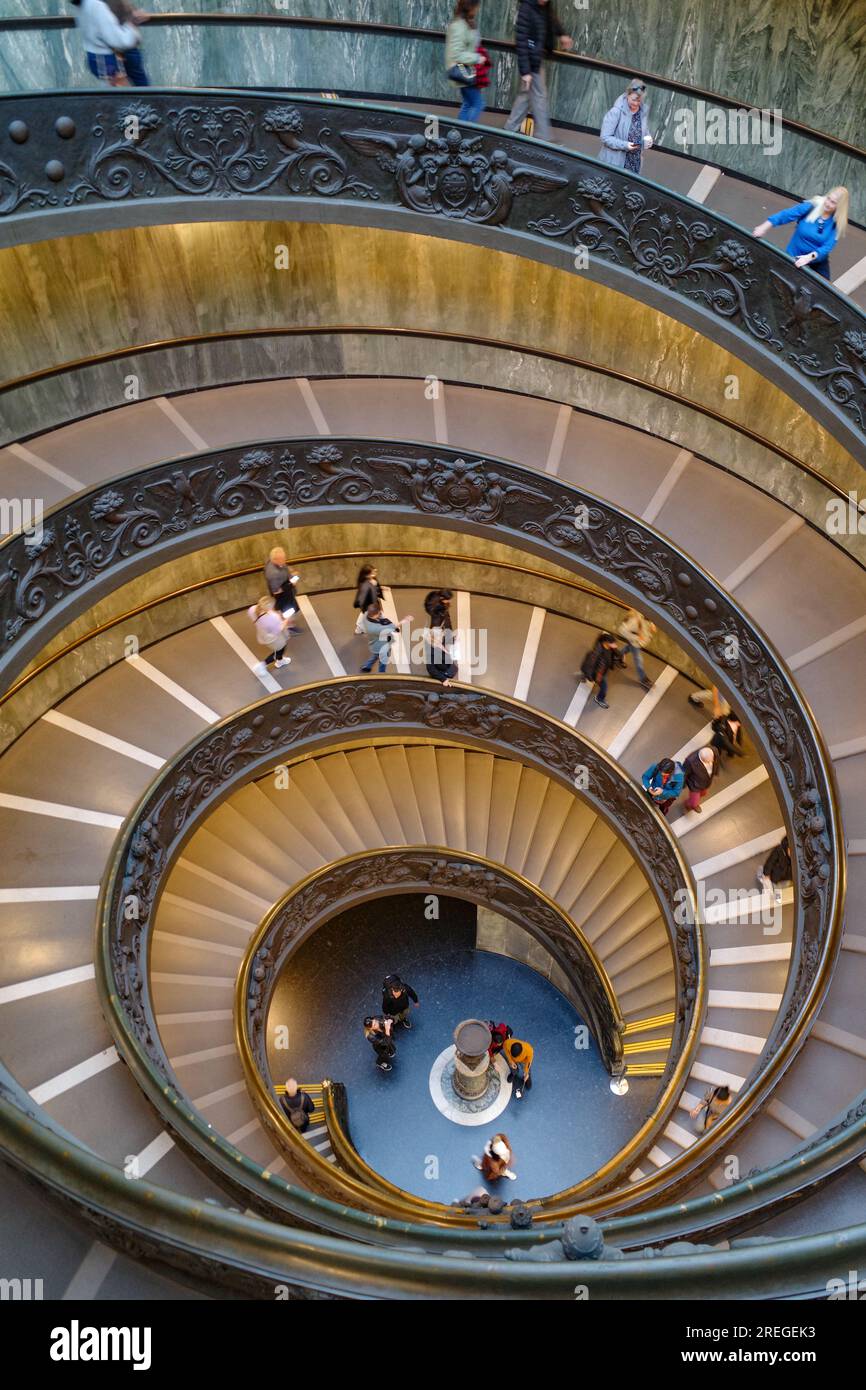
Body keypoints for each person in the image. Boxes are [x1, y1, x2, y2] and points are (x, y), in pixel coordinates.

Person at [504, 0, 574, 145]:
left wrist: (562, 34)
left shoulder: (543, 7)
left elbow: (551, 21)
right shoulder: (526, 8)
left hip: (537, 57)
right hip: (530, 61)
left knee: (526, 96)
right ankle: (544, 137)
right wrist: (525, 72)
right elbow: (521, 40)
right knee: (539, 95)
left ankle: (508, 130)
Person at [753, 187, 849, 279]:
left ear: (839, 206)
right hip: (794, 255)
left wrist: (809, 257)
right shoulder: (812, 206)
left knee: (821, 293)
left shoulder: (837, 223)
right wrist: (764, 226)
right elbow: (786, 215)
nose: (828, 203)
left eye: (833, 202)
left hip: (816, 262)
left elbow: (827, 247)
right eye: (828, 198)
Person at [69, 0, 150, 86]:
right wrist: (131, 26)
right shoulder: (97, 6)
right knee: (125, 93)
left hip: (96, 57)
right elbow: (119, 39)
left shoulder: (83, 4)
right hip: (107, 59)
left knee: (112, 93)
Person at [445, 1, 486, 124]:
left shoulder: (466, 22)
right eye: (477, 6)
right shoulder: (459, 26)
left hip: (467, 70)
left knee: (468, 104)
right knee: (478, 104)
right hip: (463, 71)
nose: (478, 9)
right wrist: (477, 58)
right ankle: (467, 132)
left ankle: (459, 132)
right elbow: (456, 54)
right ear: (471, 7)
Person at [599, 79, 653, 172]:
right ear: (627, 95)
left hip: (634, 165)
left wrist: (648, 139)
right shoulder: (616, 111)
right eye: (634, 100)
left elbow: (643, 131)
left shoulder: (642, 112)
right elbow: (605, 137)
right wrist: (625, 145)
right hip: (614, 164)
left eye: (639, 101)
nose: (636, 103)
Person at [360, 600, 410, 674]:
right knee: (383, 661)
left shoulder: (365, 616)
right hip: (383, 647)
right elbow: (393, 627)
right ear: (376, 614)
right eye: (379, 612)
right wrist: (404, 620)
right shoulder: (377, 628)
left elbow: (382, 619)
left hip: (374, 644)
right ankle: (382, 674)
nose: (381, 613)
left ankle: (367, 666)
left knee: (375, 656)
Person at [248, 595, 291, 676]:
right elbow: (277, 631)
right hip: (273, 638)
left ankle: (280, 661)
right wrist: (285, 621)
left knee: (279, 650)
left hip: (263, 635)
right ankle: (262, 665)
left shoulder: (252, 609)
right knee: (280, 650)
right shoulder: (272, 617)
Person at [617, 607, 655, 690]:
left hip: (638, 643)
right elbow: (622, 630)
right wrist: (637, 638)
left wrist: (651, 625)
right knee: (638, 660)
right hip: (635, 643)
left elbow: (646, 625)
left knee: (627, 648)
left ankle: (616, 656)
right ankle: (643, 679)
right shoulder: (635, 621)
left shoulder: (647, 618)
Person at [579, 632, 619, 709]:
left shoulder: (610, 648)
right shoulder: (596, 653)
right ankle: (599, 699)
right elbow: (589, 665)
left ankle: (584, 675)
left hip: (603, 670)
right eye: (612, 643)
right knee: (604, 688)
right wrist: (590, 677)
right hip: (598, 673)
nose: (615, 645)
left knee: (589, 674)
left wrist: (619, 656)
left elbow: (615, 653)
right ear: (606, 643)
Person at [424, 602, 458, 685]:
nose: (442, 636)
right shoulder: (431, 649)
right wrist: (443, 679)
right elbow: (430, 668)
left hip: (448, 667)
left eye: (442, 634)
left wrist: (454, 640)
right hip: (443, 673)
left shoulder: (441, 639)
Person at [264, 547, 300, 618]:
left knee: (289, 609)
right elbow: (276, 591)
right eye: (283, 559)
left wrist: (290, 573)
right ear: (276, 559)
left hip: (286, 589)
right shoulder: (274, 574)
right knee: (287, 610)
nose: (285, 560)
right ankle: (287, 623)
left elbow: (284, 568)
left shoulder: (271, 562)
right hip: (283, 596)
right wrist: (292, 583)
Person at [682, 745, 718, 814]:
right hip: (695, 785)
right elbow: (684, 773)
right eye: (708, 761)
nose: (712, 761)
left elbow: (717, 761)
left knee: (703, 793)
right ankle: (690, 805)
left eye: (712, 760)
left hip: (706, 781)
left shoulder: (713, 750)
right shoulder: (690, 761)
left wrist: (715, 771)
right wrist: (683, 785)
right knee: (694, 801)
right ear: (702, 759)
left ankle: (691, 802)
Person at [353, 563, 384, 634]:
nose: (374, 574)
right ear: (366, 575)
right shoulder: (364, 584)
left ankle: (360, 628)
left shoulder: (373, 580)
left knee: (370, 615)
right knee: (368, 615)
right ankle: (360, 628)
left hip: (373, 602)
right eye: (372, 573)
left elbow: (376, 588)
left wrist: (381, 589)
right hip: (368, 604)